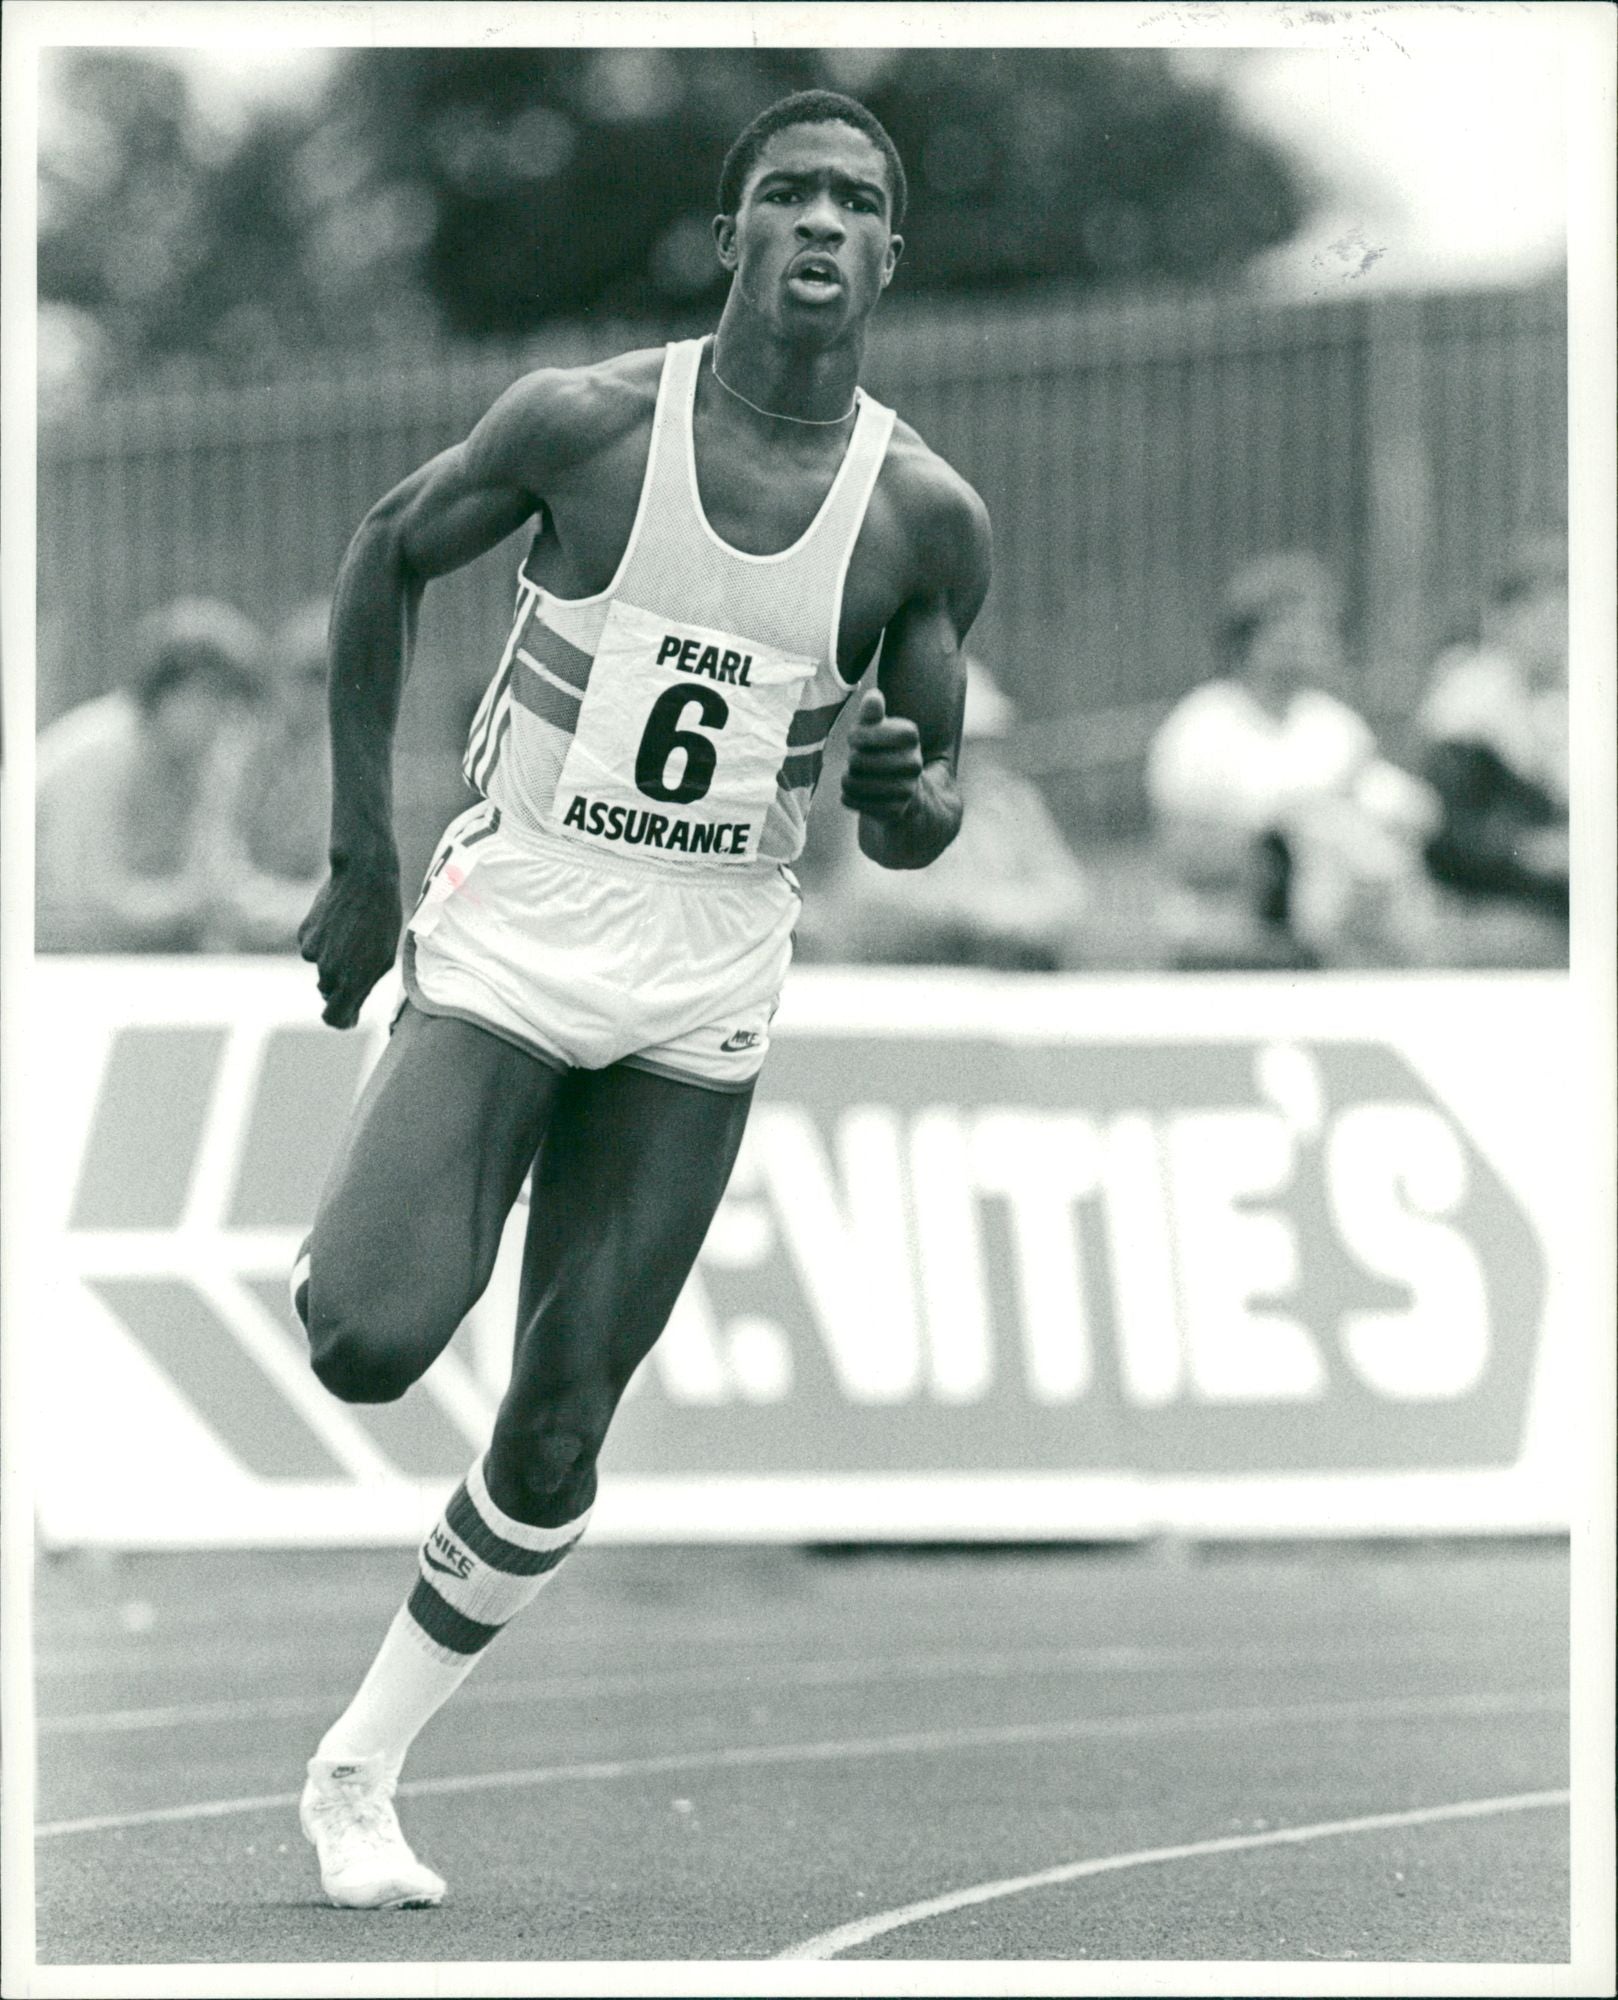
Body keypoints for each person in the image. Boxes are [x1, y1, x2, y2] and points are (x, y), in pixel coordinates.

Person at [292, 90, 991, 1909]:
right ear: (730, 234)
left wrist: (910, 800)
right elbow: (382, 548)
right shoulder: (588, 425)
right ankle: (423, 1115)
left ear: (889, 257)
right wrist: (363, 861)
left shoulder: (920, 517)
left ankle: (359, 1769)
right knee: (363, 1339)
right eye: (787, 194)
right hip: (522, 915)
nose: (820, 222)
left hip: (706, 972)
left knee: (557, 1422)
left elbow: (924, 811)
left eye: (855, 201)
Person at [1146, 552, 1436, 970]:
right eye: (1289, 627)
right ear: (1247, 638)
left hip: (1333, 941)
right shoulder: (1202, 725)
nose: (1305, 641)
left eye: (1316, 627)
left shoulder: (1336, 727)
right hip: (1227, 941)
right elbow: (1185, 857)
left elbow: (1405, 814)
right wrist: (1286, 834)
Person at [795, 655, 1088, 968]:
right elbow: (878, 901)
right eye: (964, 741)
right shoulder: (887, 800)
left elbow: (1069, 894)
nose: (977, 755)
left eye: (981, 741)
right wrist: (977, 912)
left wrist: (1002, 915)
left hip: (999, 982)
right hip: (913, 986)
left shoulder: (1010, 802)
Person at [35, 599, 262, 951]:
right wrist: (198, 903)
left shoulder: (205, 762)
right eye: (211, 697)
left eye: (231, 703)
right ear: (166, 692)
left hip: (130, 956)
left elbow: (216, 877)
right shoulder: (94, 753)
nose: (223, 720)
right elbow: (81, 902)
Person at [1416, 535, 1568, 967]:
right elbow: (1450, 839)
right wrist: (1538, 854)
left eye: (1566, 621)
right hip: (1498, 903)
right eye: (1542, 621)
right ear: (1501, 622)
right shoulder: (1467, 699)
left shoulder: (1582, 693)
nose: (1555, 636)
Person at [206, 600, 332, 952]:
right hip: (230, 935)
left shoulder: (344, 760)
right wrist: (277, 910)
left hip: (308, 932)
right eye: (307, 677)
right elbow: (218, 865)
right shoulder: (231, 749)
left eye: (329, 680)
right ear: (278, 676)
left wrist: (303, 911)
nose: (316, 696)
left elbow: (339, 873)